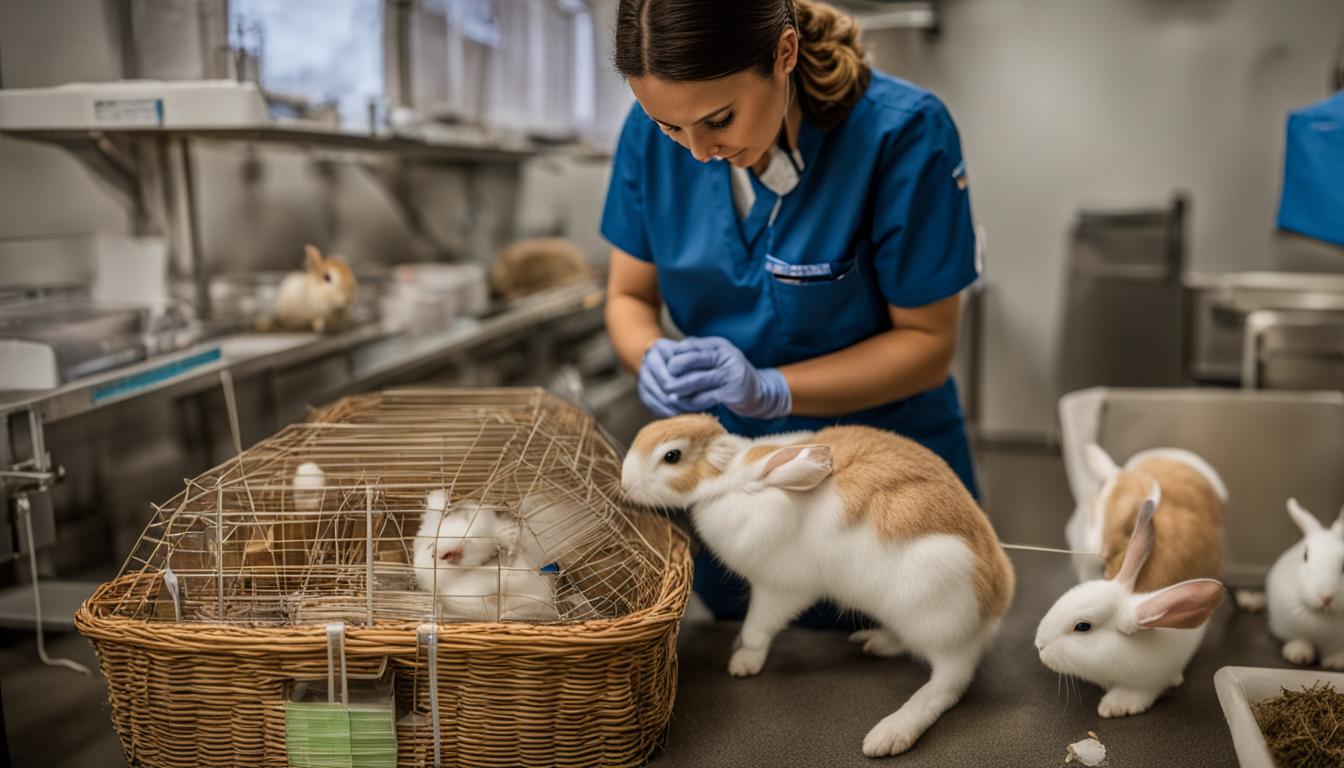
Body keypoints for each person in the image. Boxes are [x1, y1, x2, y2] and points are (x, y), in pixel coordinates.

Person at [601, 0, 981, 624]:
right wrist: (650, 355)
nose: (696, 152)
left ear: (783, 54)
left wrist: (773, 390)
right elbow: (628, 297)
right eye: (671, 128)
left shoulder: (903, 134)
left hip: (877, 503)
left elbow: (927, 343)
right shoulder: (652, 134)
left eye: (718, 119)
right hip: (736, 498)